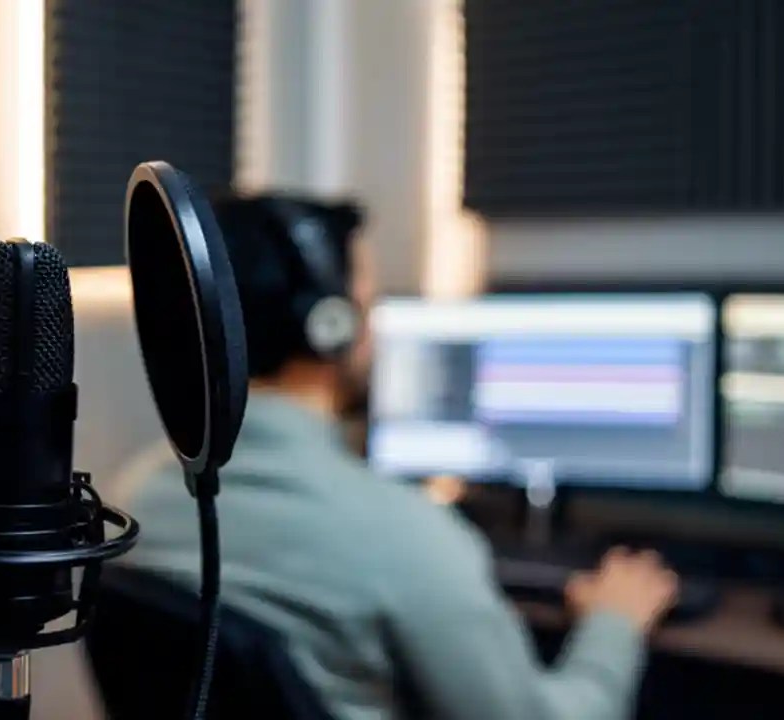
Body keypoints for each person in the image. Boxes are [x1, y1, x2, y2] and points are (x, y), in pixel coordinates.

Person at [111, 193, 679, 720]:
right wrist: (614, 624)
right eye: (366, 304)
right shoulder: (408, 537)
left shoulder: (134, 498)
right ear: (329, 326)